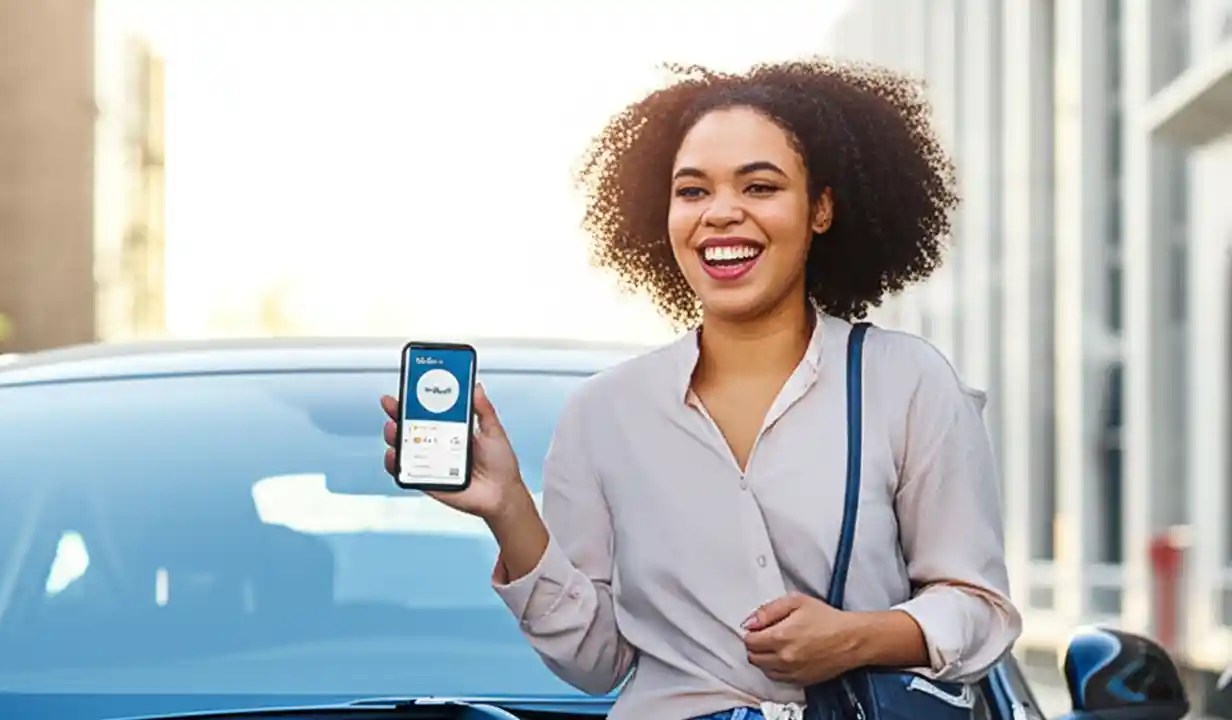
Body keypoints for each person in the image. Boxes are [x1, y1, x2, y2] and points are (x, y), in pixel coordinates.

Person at [380, 58, 1021, 720]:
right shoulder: (605, 413)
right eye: (692, 191)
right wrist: (508, 508)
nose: (721, 213)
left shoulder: (906, 382)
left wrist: (855, 638)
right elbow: (594, 662)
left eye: (760, 187)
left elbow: (981, 610)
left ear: (821, 208)